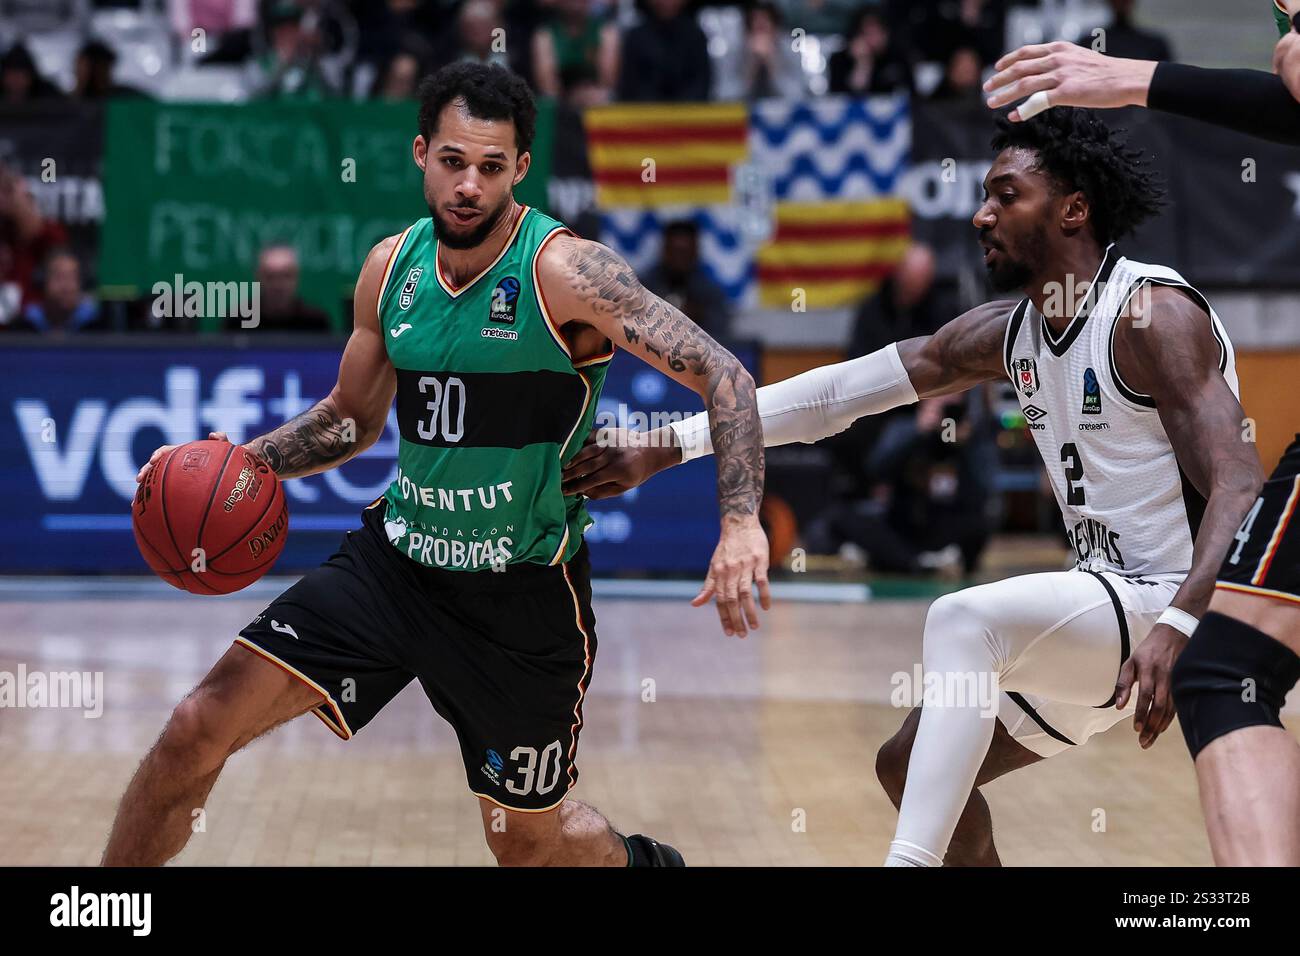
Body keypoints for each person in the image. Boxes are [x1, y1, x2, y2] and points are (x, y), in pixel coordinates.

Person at [103, 62, 769, 868]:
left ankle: (642, 864)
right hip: (397, 568)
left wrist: (739, 524)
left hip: (521, 601)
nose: (468, 186)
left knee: (529, 846)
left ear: (520, 170)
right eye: (453, 161)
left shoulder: (565, 274)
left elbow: (724, 374)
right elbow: (351, 420)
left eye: (492, 167)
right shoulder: (392, 269)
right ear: (421, 154)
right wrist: (243, 466)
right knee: (192, 729)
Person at [562, 107, 1263, 866]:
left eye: (1005, 195)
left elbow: (1240, 482)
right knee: (906, 763)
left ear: (1072, 210)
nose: (979, 213)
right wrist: (672, 444)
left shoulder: (1151, 316)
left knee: (966, 619)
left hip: (1172, 604)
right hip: (1100, 609)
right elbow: (835, 397)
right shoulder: (1012, 331)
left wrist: (1184, 624)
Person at [986, 1, 1300, 867]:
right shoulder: (1013, 326)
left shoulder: (1154, 311)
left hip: (1147, 589)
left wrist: (1131, 80)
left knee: (1214, 668)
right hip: (1111, 593)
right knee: (1223, 670)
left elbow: (1294, 82)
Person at [641, 219, 733, 343]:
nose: (679, 260)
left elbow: (722, 336)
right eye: (675, 252)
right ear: (664, 251)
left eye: (685, 253)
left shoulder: (710, 292)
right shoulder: (644, 288)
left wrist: (698, 318)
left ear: (696, 252)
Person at [617, 0, 712, 102]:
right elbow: (630, 86)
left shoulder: (696, 36)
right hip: (644, 113)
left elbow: (700, 84)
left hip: (689, 113)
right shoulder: (636, 37)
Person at [241, 243, 333, 332]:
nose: (278, 285)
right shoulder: (240, 320)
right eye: (270, 276)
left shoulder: (317, 322)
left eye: (286, 276)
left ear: (296, 277)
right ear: (259, 277)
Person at [13, 249, 105, 335]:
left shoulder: (96, 326)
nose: (66, 287)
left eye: (72, 278)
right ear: (42, 282)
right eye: (58, 278)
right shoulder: (25, 326)